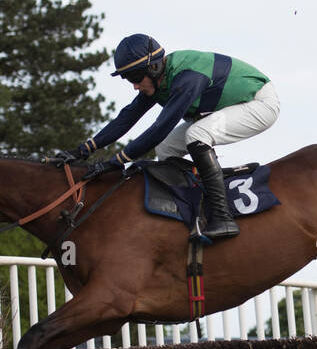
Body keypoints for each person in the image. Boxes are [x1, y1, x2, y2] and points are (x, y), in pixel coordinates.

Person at [57, 34, 280, 241]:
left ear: (153, 67)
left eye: (135, 77)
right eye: (128, 79)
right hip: (227, 106)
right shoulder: (159, 78)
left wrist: (116, 161)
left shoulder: (186, 78)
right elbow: (127, 117)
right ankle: (189, 210)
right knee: (166, 148)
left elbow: (160, 127)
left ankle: (223, 218)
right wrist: (82, 150)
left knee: (196, 134)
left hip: (259, 103)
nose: (134, 86)